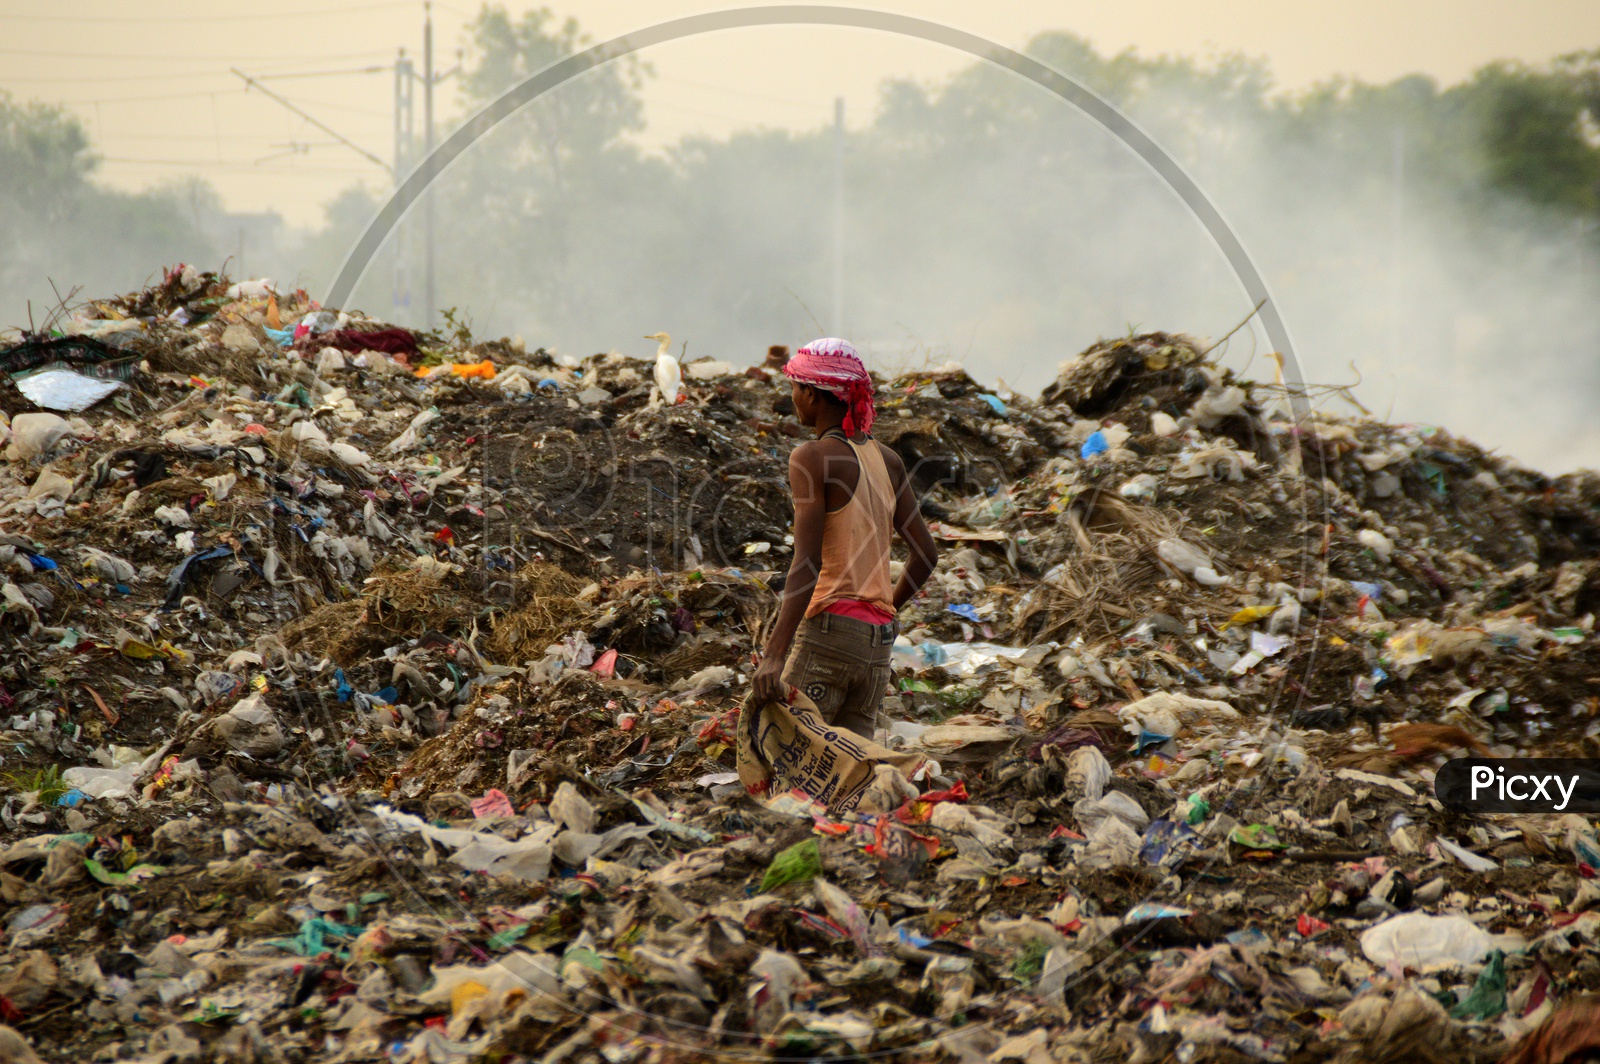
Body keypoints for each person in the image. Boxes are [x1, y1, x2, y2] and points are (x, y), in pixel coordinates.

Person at [750, 338, 940, 739]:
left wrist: (774, 654)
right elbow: (926, 554)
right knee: (847, 778)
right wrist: (885, 612)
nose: (793, 398)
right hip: (877, 649)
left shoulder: (811, 457)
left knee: (785, 759)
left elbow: (807, 563)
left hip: (828, 636)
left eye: (795, 388)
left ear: (813, 395)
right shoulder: (888, 460)